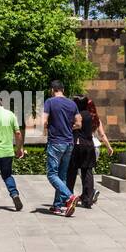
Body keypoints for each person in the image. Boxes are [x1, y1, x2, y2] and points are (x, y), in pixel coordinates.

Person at [41, 80, 80, 216]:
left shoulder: (50, 102)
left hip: (56, 142)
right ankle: (57, 206)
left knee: (52, 174)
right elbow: (79, 123)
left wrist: (48, 127)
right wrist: (69, 127)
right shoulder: (72, 103)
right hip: (69, 143)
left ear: (52, 90)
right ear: (63, 89)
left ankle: (70, 197)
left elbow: (44, 121)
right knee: (62, 175)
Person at [66, 97, 97, 209]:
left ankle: (68, 197)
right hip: (89, 145)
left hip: (77, 146)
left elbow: (72, 127)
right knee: (87, 172)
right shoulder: (89, 115)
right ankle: (87, 199)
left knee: (71, 172)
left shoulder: (77, 116)